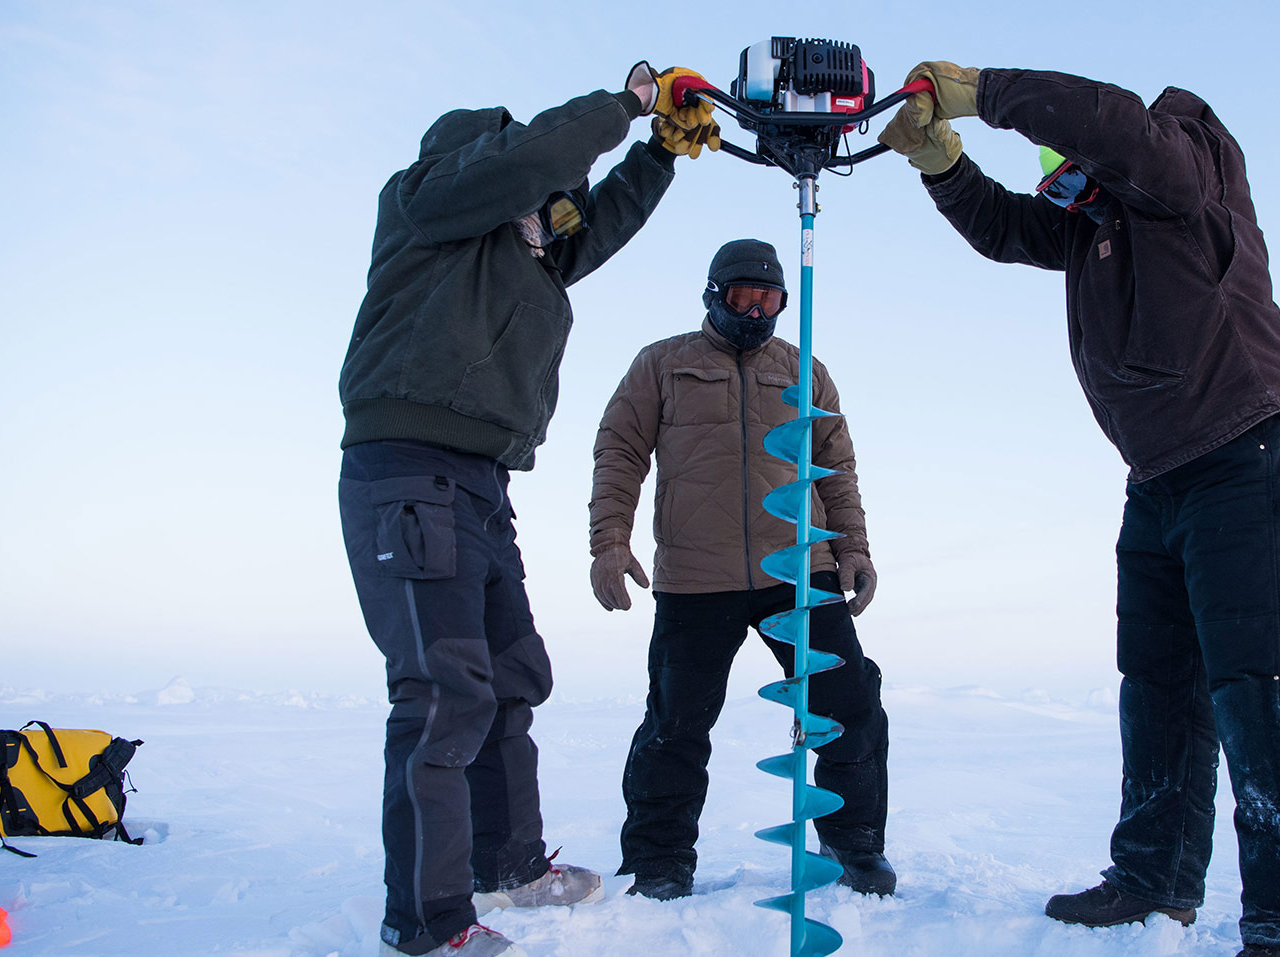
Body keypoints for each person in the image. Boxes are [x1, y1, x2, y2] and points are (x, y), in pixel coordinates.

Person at [879, 64, 1280, 957]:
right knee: (1160, 689)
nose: (1068, 183)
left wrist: (984, 91)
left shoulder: (1186, 162)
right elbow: (1005, 227)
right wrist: (941, 163)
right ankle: (1154, 877)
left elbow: (1126, 130)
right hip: (1158, 476)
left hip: (1246, 449)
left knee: (1265, 697)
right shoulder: (1095, 225)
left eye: (1076, 164)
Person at [336, 62, 721, 957]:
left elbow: (595, 226)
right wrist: (630, 104)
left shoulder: (521, 241)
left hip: (479, 481)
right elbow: (530, 162)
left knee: (510, 677)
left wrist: (661, 152)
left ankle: (509, 866)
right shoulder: (429, 200)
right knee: (442, 694)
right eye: (533, 182)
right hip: (405, 471)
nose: (547, 204)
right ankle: (426, 923)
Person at [587, 239, 894, 901]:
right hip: (697, 579)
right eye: (742, 295)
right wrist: (609, 542)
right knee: (675, 723)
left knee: (851, 708)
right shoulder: (662, 364)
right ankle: (659, 862)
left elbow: (837, 469)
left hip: (801, 569)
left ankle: (853, 848)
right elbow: (618, 451)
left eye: (770, 297)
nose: (756, 308)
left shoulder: (805, 369)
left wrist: (856, 550)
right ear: (714, 294)